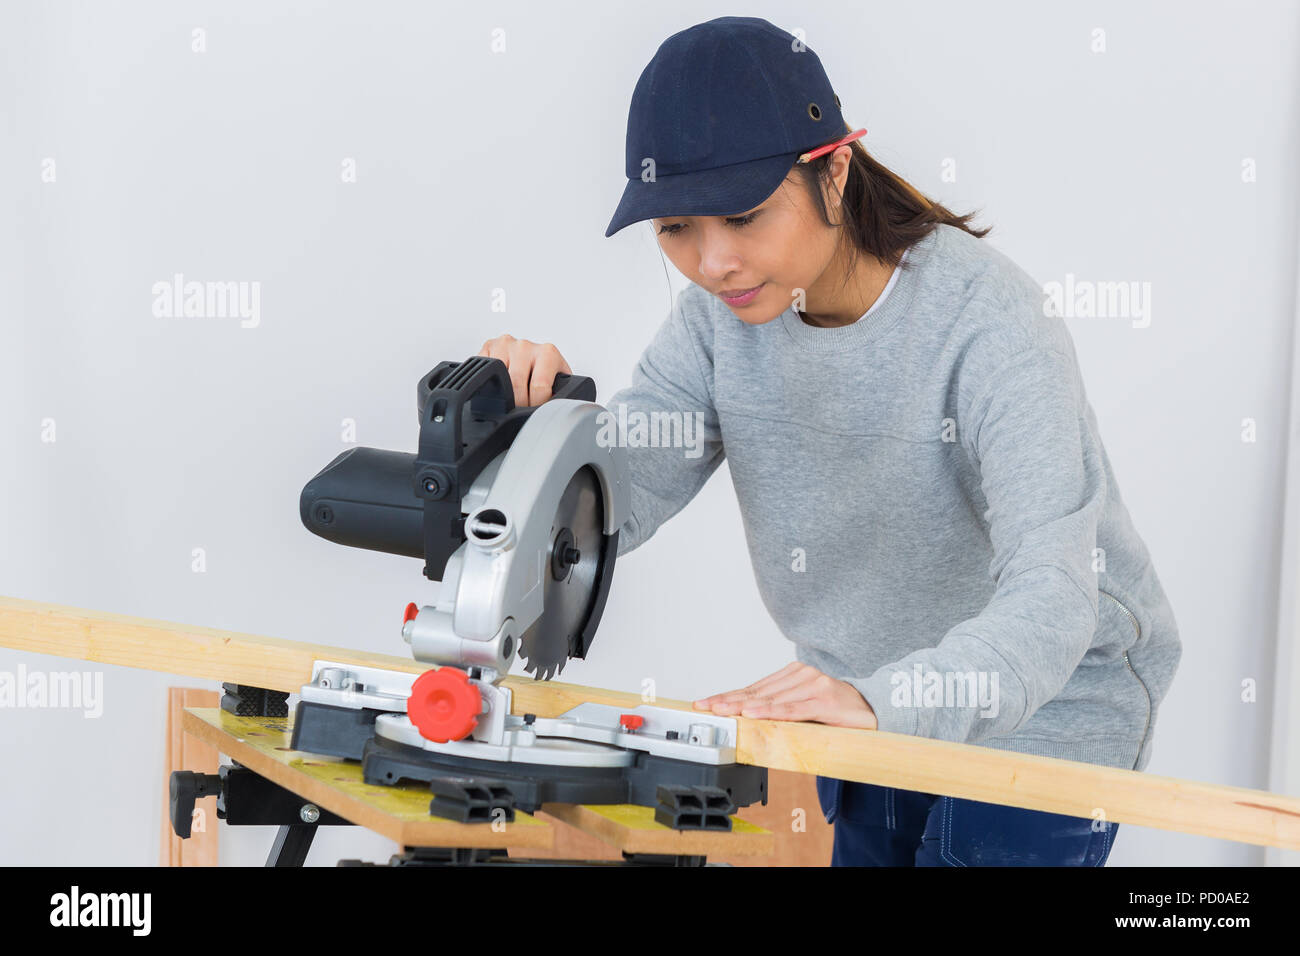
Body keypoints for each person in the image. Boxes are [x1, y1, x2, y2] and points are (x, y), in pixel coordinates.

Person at [478, 16, 1180, 867]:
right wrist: (524, 433)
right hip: (858, 699)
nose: (714, 263)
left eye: (743, 215)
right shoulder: (720, 319)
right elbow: (622, 486)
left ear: (834, 171)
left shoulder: (990, 325)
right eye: (676, 228)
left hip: (1043, 718)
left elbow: (1055, 595)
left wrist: (885, 701)